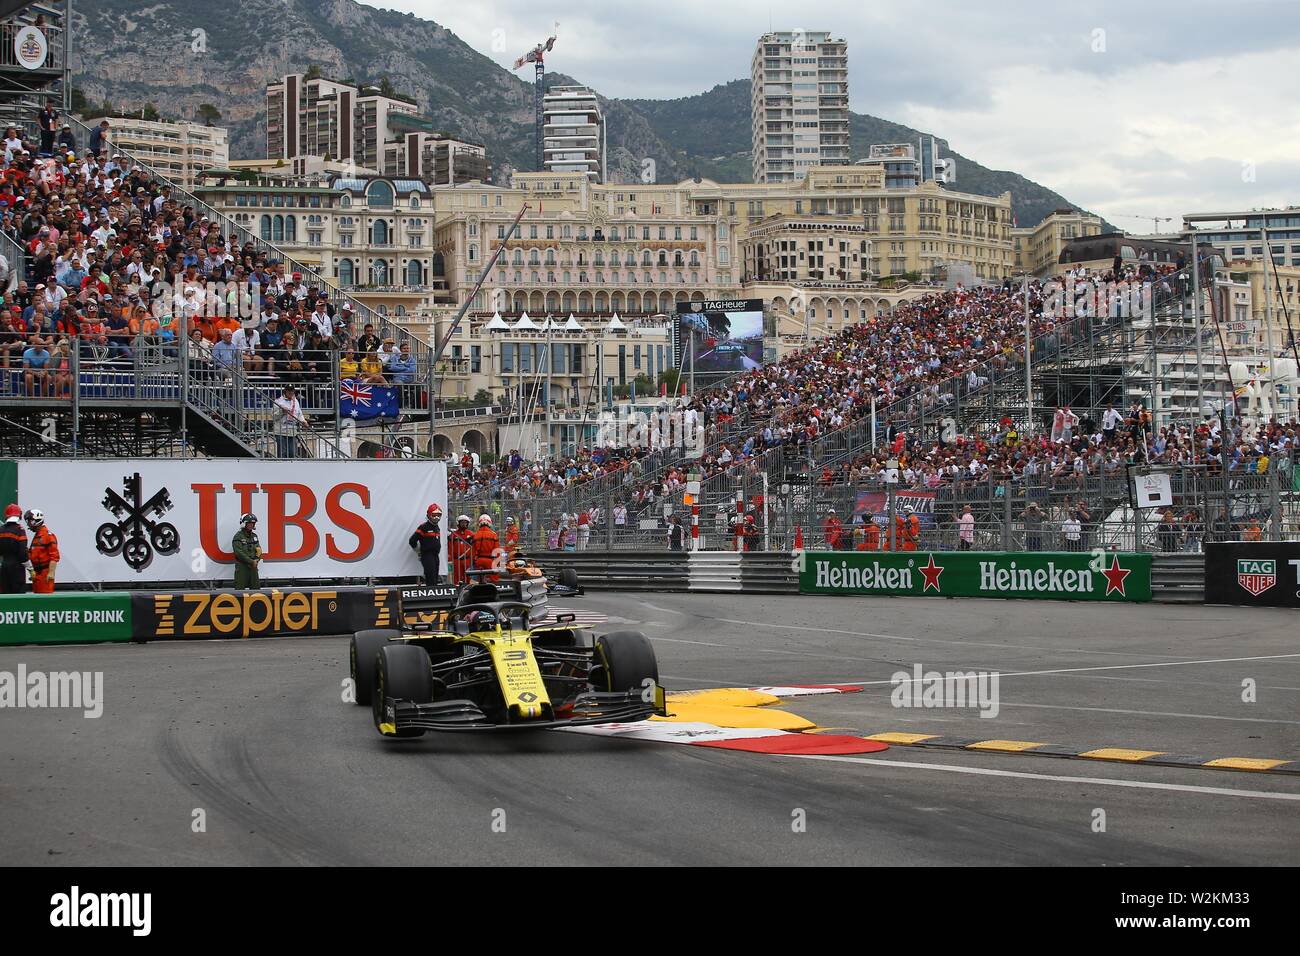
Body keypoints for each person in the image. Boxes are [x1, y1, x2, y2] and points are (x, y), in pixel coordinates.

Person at [25, 508, 59, 593]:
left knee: (45, 601)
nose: (28, 524)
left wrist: (51, 573)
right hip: (37, 575)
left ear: (36, 521)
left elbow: (54, 557)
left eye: (30, 521)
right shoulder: (38, 536)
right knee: (37, 601)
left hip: (45, 574)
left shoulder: (48, 536)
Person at [408, 504, 443, 585]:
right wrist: (418, 551)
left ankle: (434, 594)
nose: (437, 517)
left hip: (435, 555)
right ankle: (430, 594)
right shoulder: (423, 527)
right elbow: (412, 541)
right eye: (434, 515)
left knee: (435, 576)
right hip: (427, 555)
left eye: (438, 515)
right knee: (430, 576)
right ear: (429, 515)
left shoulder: (437, 527)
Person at [0, 504, 28, 594]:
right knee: (18, 597)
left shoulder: (1, 530)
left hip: (4, 567)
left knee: (5, 595)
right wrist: (30, 568)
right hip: (17, 568)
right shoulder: (20, 530)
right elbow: (23, 552)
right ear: (19, 516)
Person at [272, 385, 305, 458]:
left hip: (292, 432)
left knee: (292, 454)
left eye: (292, 391)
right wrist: (282, 411)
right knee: (282, 454)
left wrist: (303, 421)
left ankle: (292, 468)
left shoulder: (296, 401)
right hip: (281, 432)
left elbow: (299, 413)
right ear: (285, 391)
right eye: (289, 391)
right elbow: (274, 416)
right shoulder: (278, 401)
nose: (291, 392)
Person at [232, 513, 262, 589]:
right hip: (242, 567)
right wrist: (251, 561)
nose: (251, 525)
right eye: (249, 523)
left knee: (256, 591)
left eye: (253, 523)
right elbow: (239, 553)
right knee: (240, 591)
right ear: (243, 524)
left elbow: (259, 550)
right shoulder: (238, 536)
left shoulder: (254, 536)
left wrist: (256, 559)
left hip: (253, 567)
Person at [472, 514, 500, 581]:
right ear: (490, 523)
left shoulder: (476, 535)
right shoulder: (493, 535)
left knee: (480, 580)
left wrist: (475, 560)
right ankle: (494, 590)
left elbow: (473, 551)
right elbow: (497, 551)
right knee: (494, 579)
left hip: (479, 560)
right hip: (490, 560)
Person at [449, 514, 474, 585]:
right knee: (457, 577)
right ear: (458, 523)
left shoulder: (471, 535)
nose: (464, 524)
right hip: (457, 560)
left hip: (467, 560)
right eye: (462, 522)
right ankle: (457, 590)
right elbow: (450, 547)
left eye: (465, 522)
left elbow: (474, 547)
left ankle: (467, 589)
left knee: (468, 576)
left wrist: (473, 557)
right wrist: (450, 558)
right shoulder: (453, 535)